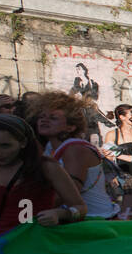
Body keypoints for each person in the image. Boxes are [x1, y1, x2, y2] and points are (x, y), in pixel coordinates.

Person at [0, 113, 87, 240]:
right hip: (0, 242)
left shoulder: (47, 167)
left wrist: (60, 213)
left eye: (5, 145)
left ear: (23, 143)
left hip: (38, 241)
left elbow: (81, 208)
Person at [31, 91, 119, 219]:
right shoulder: (50, 147)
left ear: (71, 127)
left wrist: (30, 211)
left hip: (94, 219)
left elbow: (65, 194)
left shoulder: (75, 148)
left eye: (53, 118)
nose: (44, 120)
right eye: (41, 116)